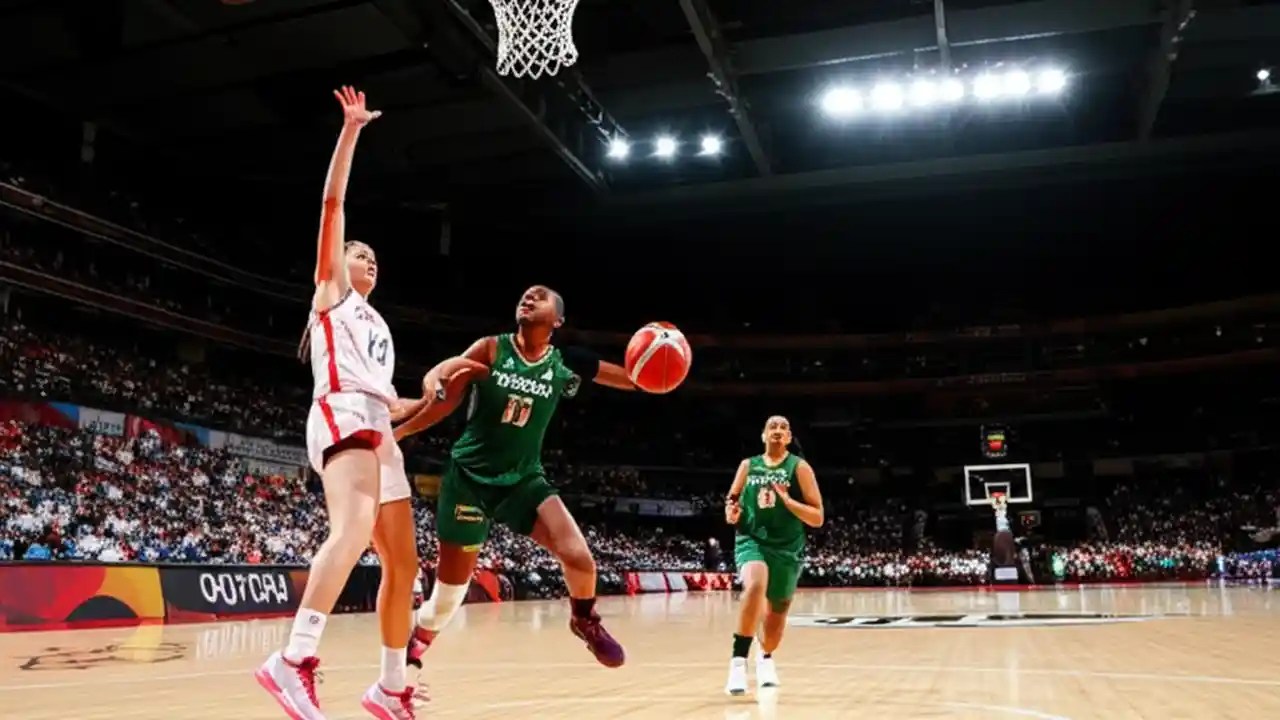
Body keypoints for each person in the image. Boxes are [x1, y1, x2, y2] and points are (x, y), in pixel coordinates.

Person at [256, 86, 425, 720]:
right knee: (351, 531)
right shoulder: (330, 293)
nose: (368, 260)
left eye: (375, 257)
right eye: (360, 252)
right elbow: (334, 201)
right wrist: (351, 130)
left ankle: (389, 687)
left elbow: (395, 402)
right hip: (342, 412)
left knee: (403, 565)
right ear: (338, 262)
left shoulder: (378, 324)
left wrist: (443, 390)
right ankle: (292, 660)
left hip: (377, 420)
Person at [394, 285, 642, 674]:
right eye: (526, 295)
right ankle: (420, 636)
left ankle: (584, 620)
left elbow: (634, 379)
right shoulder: (492, 348)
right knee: (448, 598)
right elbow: (446, 393)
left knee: (580, 558)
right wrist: (403, 430)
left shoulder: (566, 364)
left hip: (524, 480)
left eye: (540, 297)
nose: (529, 298)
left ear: (557, 320)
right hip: (469, 481)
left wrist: (662, 371)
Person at [722, 415, 823, 695]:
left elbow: (817, 517)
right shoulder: (748, 465)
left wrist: (788, 501)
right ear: (763, 436)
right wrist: (732, 512)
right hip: (751, 539)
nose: (777, 431)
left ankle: (764, 656)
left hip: (787, 548)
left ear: (789, 438)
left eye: (783, 428)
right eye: (772, 427)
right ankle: (738, 663)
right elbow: (732, 498)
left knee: (773, 635)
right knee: (755, 584)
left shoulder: (799, 468)